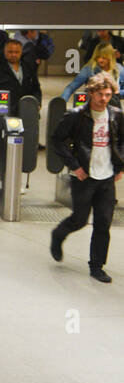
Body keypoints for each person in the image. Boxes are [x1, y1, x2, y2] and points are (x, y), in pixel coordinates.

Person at [49, 72, 124, 283]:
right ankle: (58, 235)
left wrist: (121, 166)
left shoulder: (116, 115)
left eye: (108, 95)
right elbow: (57, 140)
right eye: (100, 94)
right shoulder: (76, 115)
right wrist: (75, 166)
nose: (104, 99)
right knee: (79, 219)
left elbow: (121, 142)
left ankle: (97, 266)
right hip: (84, 176)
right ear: (90, 93)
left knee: (103, 223)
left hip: (107, 178)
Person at [0, 38, 42, 103]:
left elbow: (36, 89)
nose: (13, 55)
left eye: (17, 52)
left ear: (21, 52)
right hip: (3, 105)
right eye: (10, 52)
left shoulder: (29, 67)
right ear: (5, 51)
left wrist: (37, 102)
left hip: (25, 106)